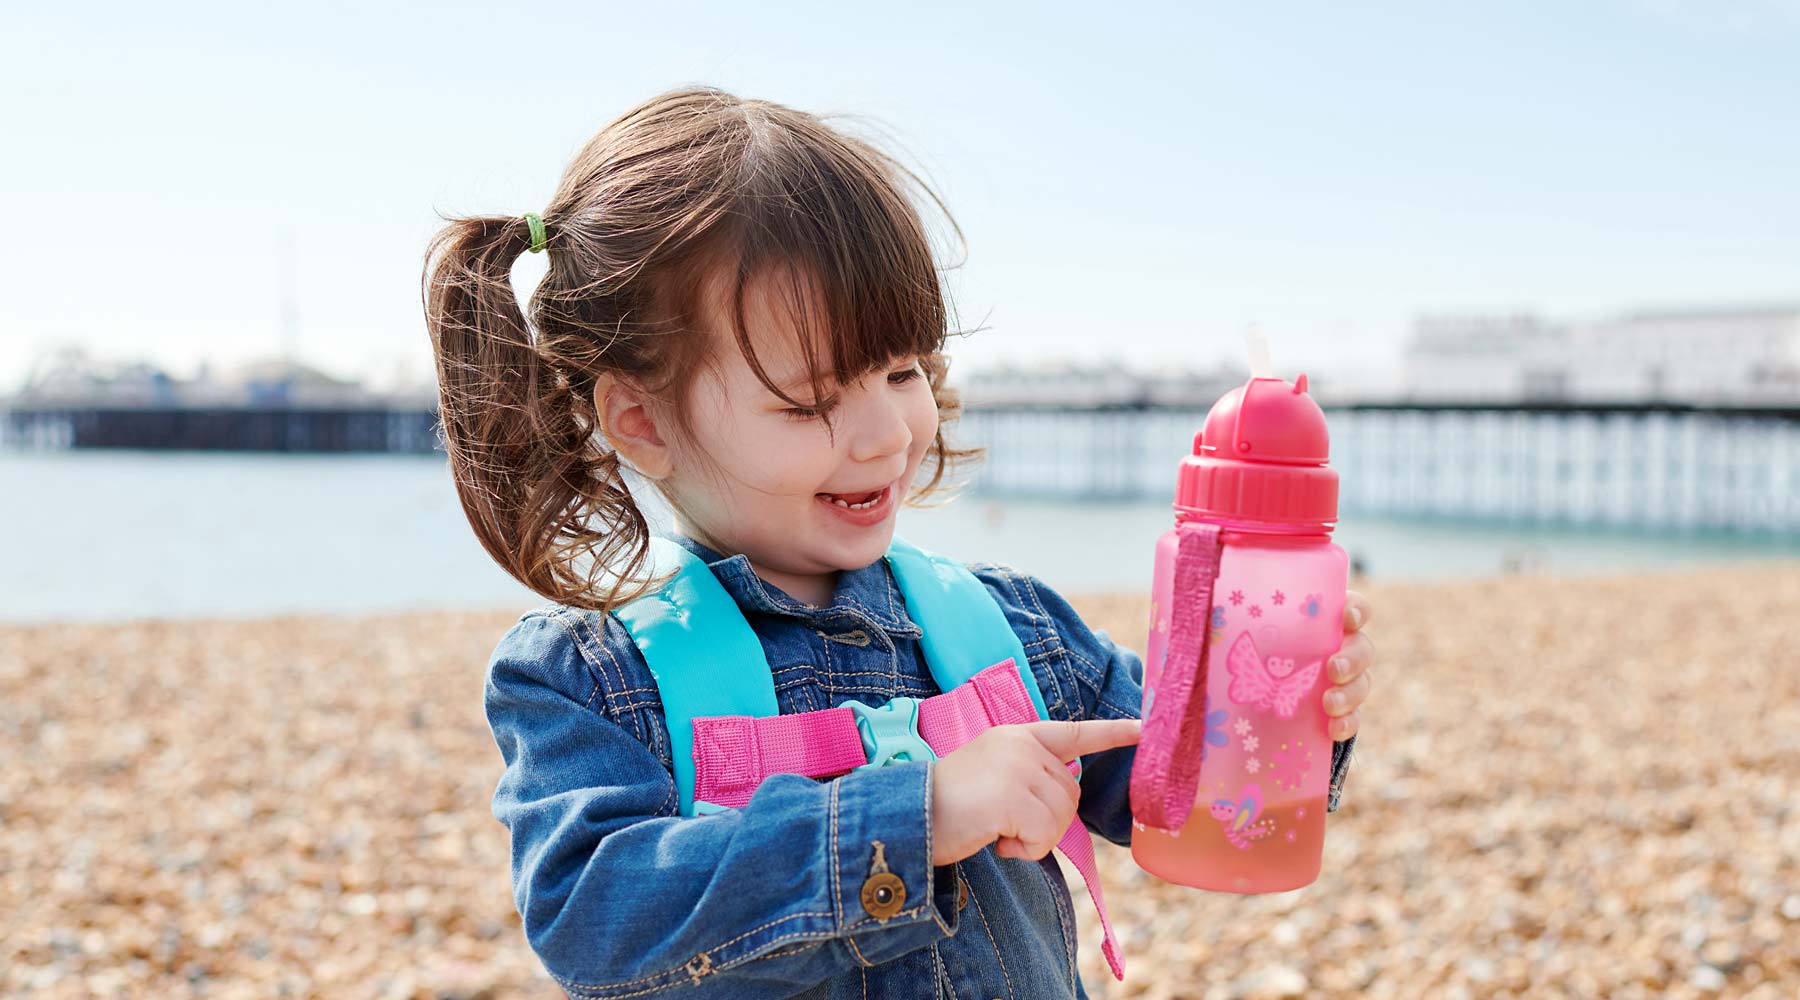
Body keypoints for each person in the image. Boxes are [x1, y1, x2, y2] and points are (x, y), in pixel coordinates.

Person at [421, 86, 1375, 999]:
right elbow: (598, 924)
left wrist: (1279, 718)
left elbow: (1178, 797)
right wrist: (915, 819)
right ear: (641, 421)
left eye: (902, 369)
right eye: (811, 402)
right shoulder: (592, 678)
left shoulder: (1011, 627)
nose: (884, 435)